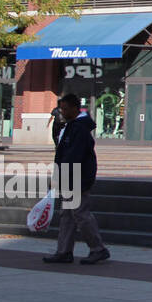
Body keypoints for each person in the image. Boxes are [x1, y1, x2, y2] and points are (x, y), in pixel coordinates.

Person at [43, 93, 110, 265]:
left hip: (77, 178)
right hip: (72, 176)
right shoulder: (73, 126)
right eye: (61, 109)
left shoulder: (79, 129)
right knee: (67, 214)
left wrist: (61, 176)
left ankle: (98, 248)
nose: (62, 112)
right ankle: (64, 251)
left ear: (75, 108)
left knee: (80, 213)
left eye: (65, 109)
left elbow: (73, 156)